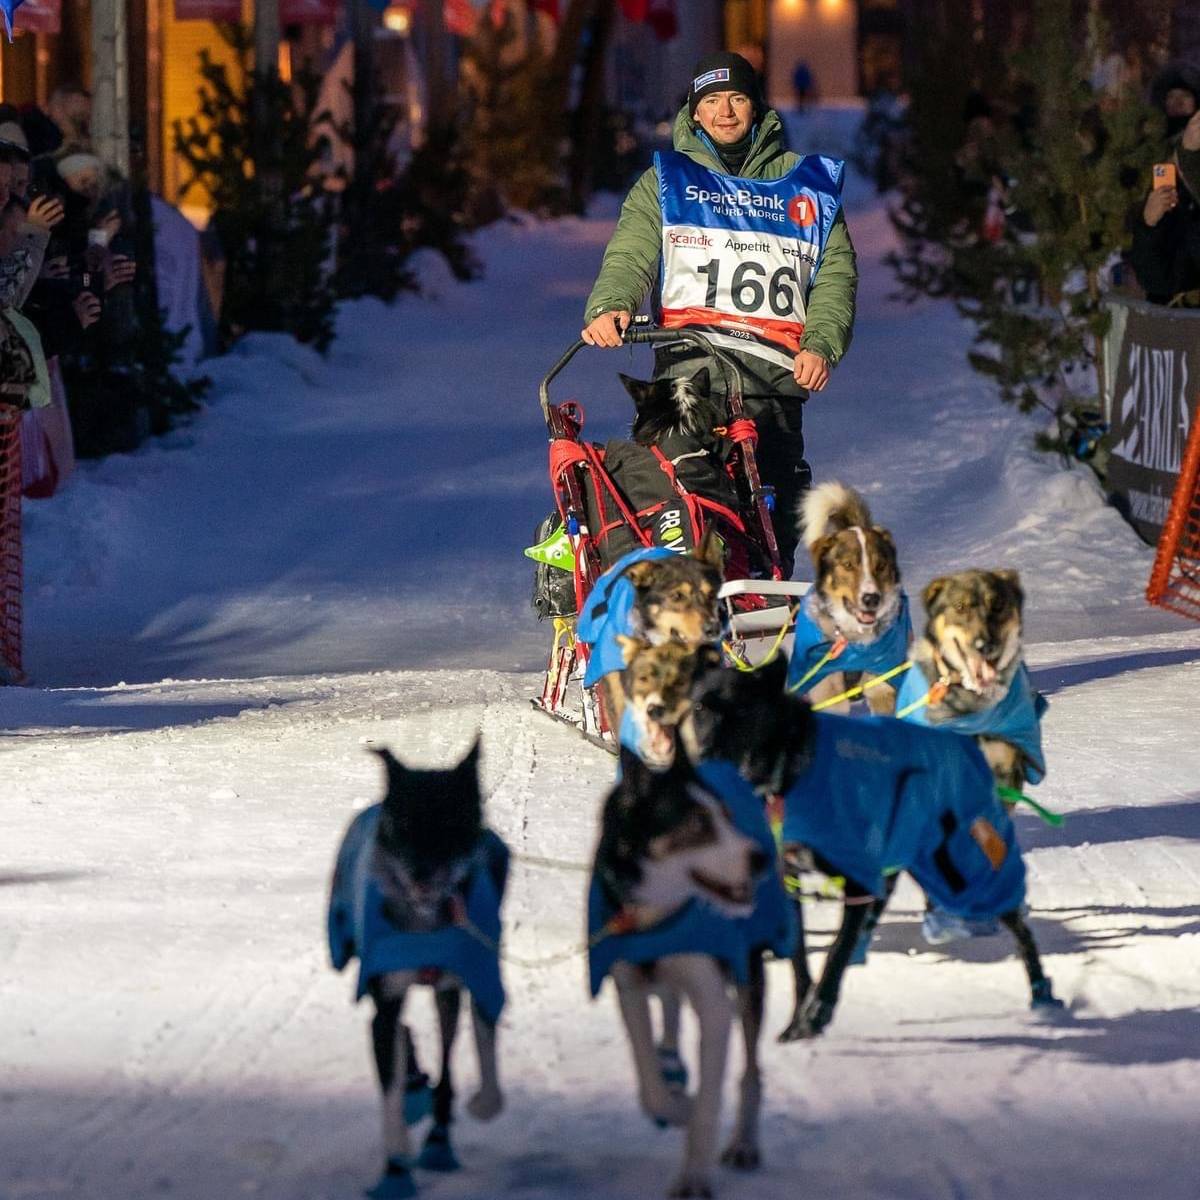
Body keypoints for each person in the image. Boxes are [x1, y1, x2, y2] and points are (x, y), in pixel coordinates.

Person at [581, 51, 857, 576]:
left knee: (772, 525)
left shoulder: (807, 188)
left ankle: (762, 623)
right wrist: (612, 305)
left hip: (771, 378)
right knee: (685, 508)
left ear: (757, 107)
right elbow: (631, 252)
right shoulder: (666, 181)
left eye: (737, 98)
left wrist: (821, 344)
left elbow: (834, 274)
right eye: (711, 101)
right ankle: (682, 604)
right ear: (695, 111)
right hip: (688, 377)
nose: (725, 111)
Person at [1130, 63, 1200, 305]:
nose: (1178, 102)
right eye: (1171, 96)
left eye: (1185, 96)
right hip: (1168, 300)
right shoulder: (1146, 152)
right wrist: (1148, 221)